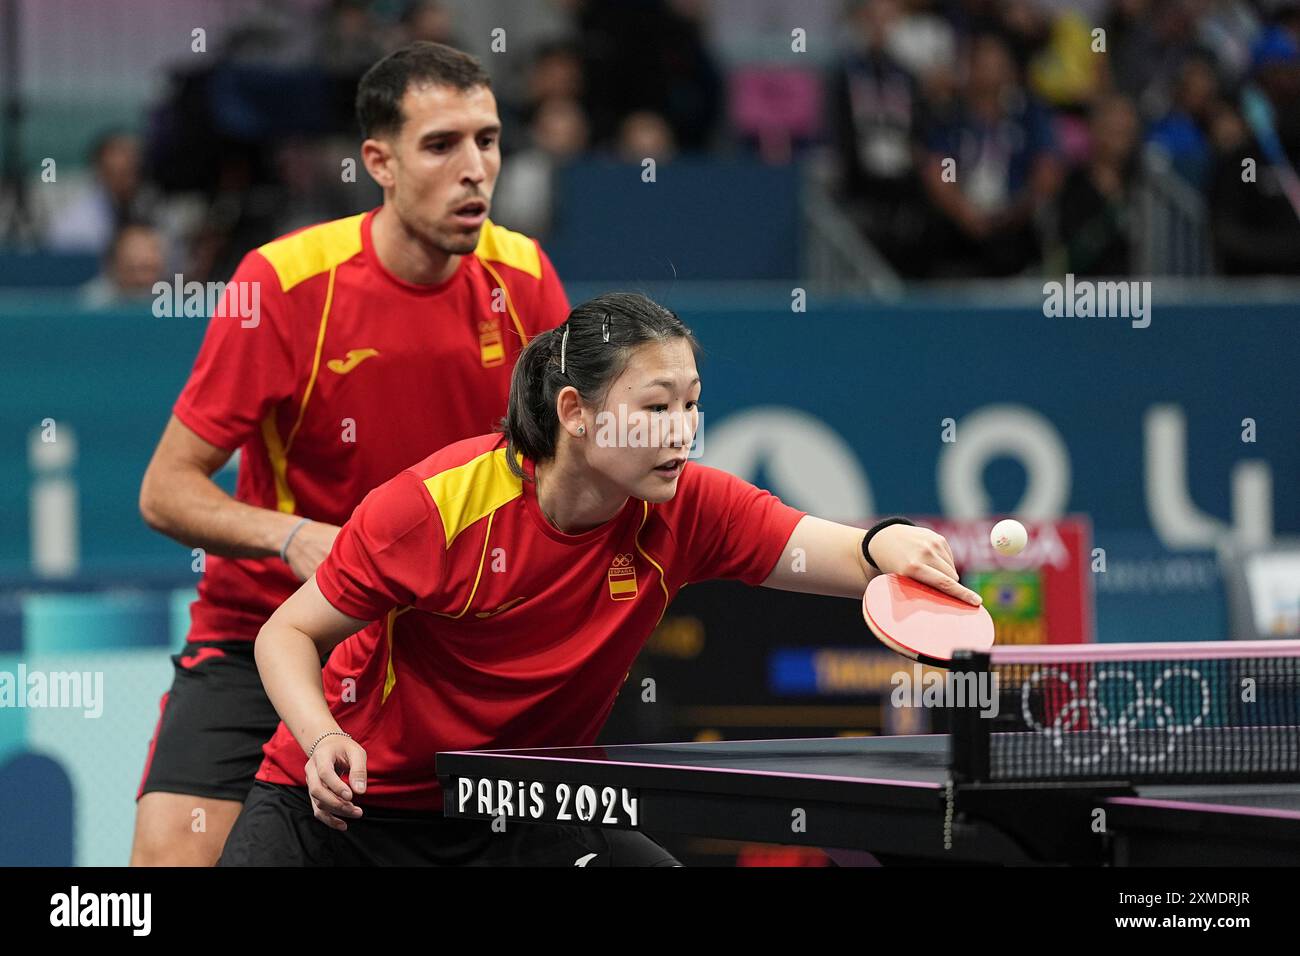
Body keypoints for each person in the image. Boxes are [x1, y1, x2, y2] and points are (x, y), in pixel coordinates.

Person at [217, 292, 980, 867]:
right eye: (655, 407)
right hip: (345, 813)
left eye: (691, 406)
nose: (682, 431)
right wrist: (320, 739)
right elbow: (287, 631)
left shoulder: (689, 507)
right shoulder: (435, 509)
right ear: (576, 412)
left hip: (522, 812)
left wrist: (892, 545)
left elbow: (840, 552)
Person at [131, 42, 570, 866]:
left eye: (489, 139)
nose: (475, 169)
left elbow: (554, 479)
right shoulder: (285, 284)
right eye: (441, 145)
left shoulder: (526, 278)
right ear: (381, 161)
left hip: (436, 647)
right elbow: (165, 492)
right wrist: (291, 537)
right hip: (264, 629)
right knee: (167, 862)